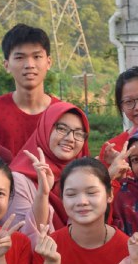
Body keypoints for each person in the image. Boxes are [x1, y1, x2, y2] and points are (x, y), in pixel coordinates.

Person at [8, 100, 91, 237]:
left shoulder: (85, 178)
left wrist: (106, 179)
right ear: (45, 129)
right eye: (62, 129)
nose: (70, 138)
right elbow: (23, 238)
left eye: (79, 133)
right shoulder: (18, 181)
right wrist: (43, 194)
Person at [0, 23, 56, 155]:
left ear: (48, 62)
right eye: (20, 57)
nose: (29, 65)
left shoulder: (65, 114)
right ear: (7, 65)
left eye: (37, 57)